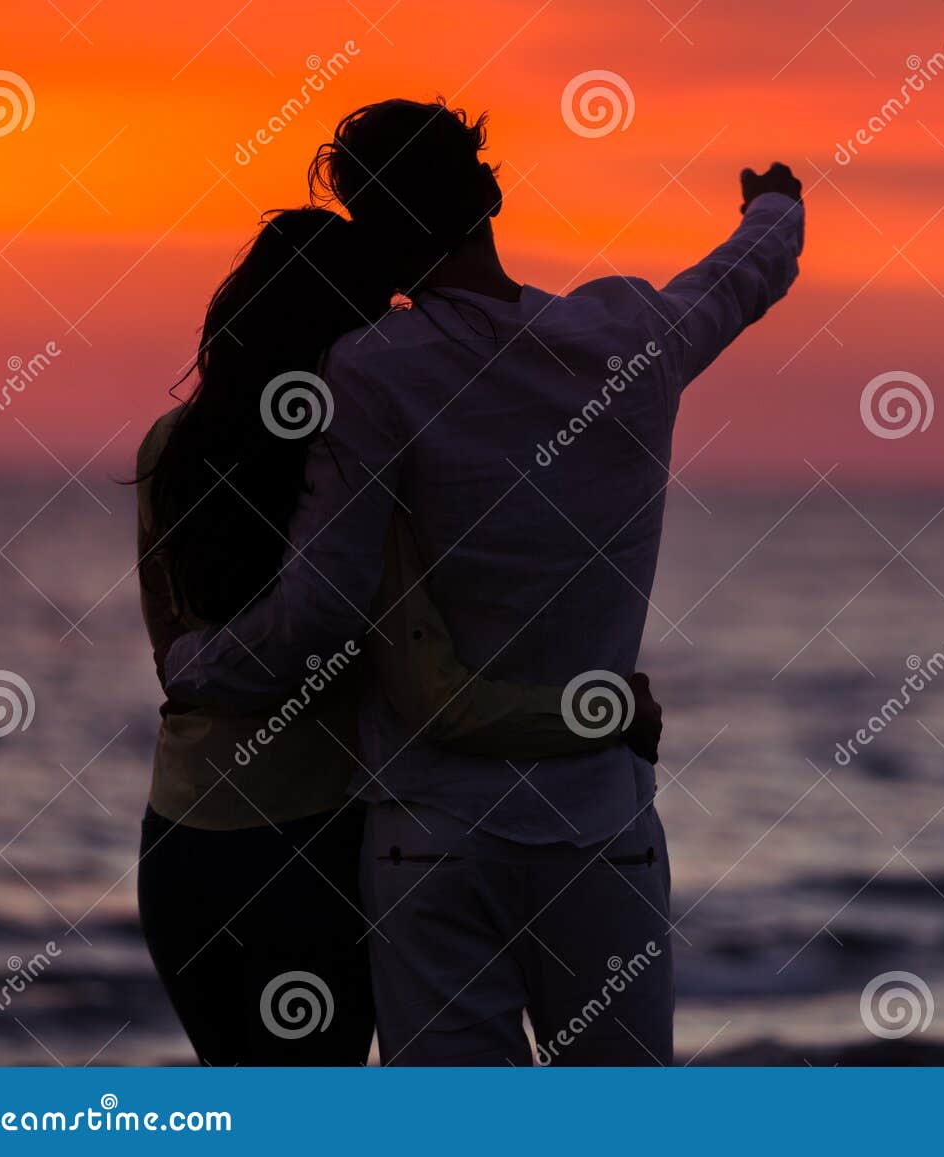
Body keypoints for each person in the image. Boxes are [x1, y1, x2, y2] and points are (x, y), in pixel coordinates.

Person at [162, 99, 805, 1065]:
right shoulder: (629, 335)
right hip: (599, 824)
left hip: (432, 833)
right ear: (490, 199)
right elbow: (739, 280)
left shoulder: (372, 372)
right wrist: (776, 209)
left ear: (379, 240)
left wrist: (198, 666)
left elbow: (325, 606)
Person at [136, 207, 661, 1065]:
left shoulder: (170, 448)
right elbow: (433, 693)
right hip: (311, 846)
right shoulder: (350, 472)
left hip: (181, 841)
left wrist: (201, 666)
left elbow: (169, 649)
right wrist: (603, 712)